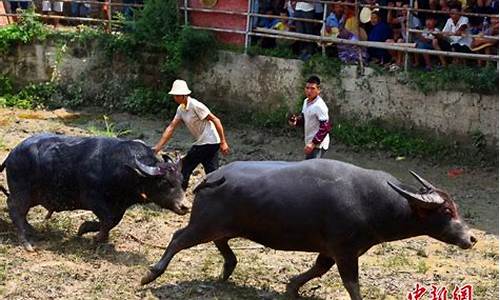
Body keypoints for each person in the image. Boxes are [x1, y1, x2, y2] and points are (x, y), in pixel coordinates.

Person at [153, 80, 230, 190]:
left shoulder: (196, 106)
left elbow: (215, 120)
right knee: (212, 173)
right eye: (174, 95)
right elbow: (171, 127)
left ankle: (180, 196)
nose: (175, 98)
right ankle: (218, 196)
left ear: (184, 95)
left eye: (177, 95)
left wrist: (223, 142)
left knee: (185, 167)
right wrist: (158, 147)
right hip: (209, 143)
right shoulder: (181, 109)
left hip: (208, 142)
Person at [288, 76, 331, 159]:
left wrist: (313, 143)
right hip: (310, 141)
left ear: (318, 90)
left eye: (312, 88)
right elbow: (304, 118)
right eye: (307, 88)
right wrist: (296, 121)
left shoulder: (320, 106)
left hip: (318, 145)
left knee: (312, 168)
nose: (309, 91)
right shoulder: (306, 101)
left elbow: (325, 127)